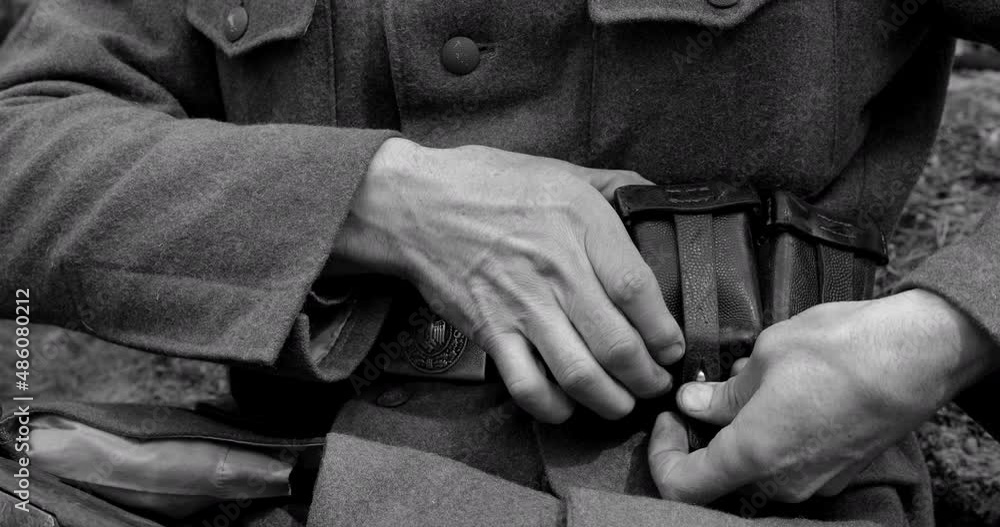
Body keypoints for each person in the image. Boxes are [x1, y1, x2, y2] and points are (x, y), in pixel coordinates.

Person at [0, 0, 997, 525]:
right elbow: (23, 141)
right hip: (269, 483)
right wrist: (378, 198)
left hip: (717, 488)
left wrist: (941, 333)